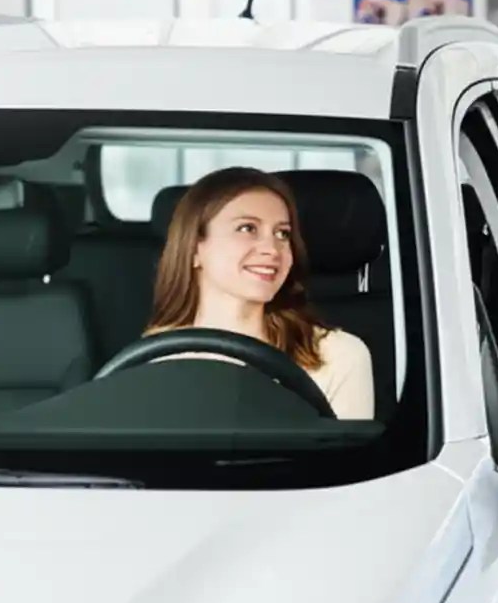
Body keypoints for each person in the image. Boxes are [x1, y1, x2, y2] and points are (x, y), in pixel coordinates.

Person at [145, 166, 375, 421]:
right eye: (247, 228)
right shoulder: (153, 357)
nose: (272, 249)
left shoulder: (336, 356)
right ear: (194, 250)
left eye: (282, 234)